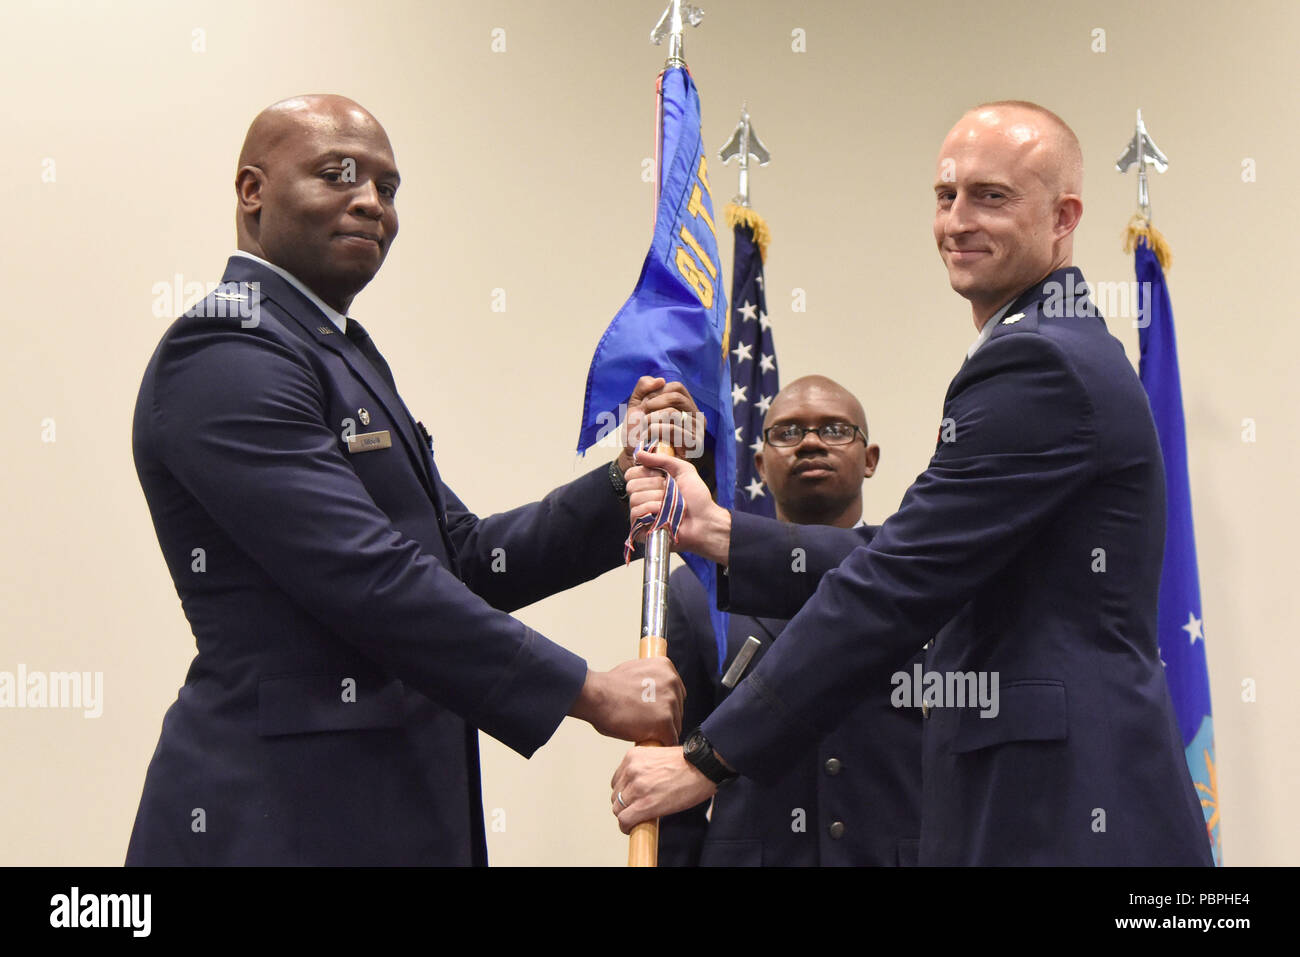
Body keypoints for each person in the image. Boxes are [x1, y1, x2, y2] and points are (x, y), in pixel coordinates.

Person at [611, 101, 1214, 866]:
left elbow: (896, 582)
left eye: (990, 196)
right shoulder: (1051, 348)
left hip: (1066, 817)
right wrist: (724, 532)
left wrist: (704, 758)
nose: (957, 220)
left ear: (1064, 217)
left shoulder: (1041, 363)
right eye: (945, 195)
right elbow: (914, 551)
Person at [128, 94, 697, 865]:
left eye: (388, 188)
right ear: (252, 191)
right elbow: (366, 574)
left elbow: (459, 560)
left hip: (394, 813)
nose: (371, 202)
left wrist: (619, 484)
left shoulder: (340, 351)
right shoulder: (226, 349)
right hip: (278, 821)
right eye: (338, 174)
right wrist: (590, 691)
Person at [657, 376, 922, 867]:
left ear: (871, 459)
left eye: (836, 429)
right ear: (760, 464)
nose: (811, 442)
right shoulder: (696, 594)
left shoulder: (922, 579)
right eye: (788, 432)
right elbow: (673, 777)